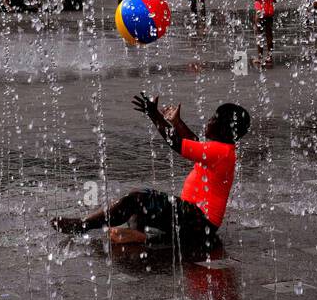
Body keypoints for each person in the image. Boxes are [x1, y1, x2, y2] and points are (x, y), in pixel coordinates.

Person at [50, 93, 250, 249]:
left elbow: (178, 144)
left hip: (199, 222)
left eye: (213, 119)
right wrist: (177, 122)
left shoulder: (221, 151)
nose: (208, 121)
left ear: (224, 130)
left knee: (137, 198)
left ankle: (82, 225)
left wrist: (154, 114)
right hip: (197, 222)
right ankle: (137, 235)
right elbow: (195, 144)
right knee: (140, 208)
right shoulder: (222, 150)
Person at [249, 0, 277, 67]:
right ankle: (269, 57)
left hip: (260, 11)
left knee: (259, 34)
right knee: (269, 34)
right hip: (269, 11)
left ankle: (260, 57)